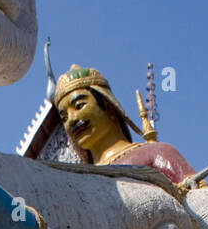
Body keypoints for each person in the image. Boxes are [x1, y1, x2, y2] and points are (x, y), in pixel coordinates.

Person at [54, 64, 198, 184]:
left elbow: (200, 197)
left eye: (79, 106)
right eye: (64, 118)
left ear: (109, 106)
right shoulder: (80, 183)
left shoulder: (156, 153)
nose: (72, 120)